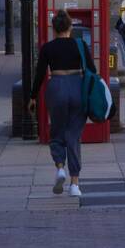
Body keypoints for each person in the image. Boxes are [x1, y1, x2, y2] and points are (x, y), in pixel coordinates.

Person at [30, 10, 93, 196]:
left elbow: (40, 74)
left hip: (56, 86)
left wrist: (32, 97)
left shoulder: (47, 48)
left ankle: (59, 167)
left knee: (57, 131)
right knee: (73, 135)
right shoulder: (80, 44)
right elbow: (92, 70)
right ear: (70, 27)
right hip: (77, 87)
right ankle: (75, 184)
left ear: (53, 28)